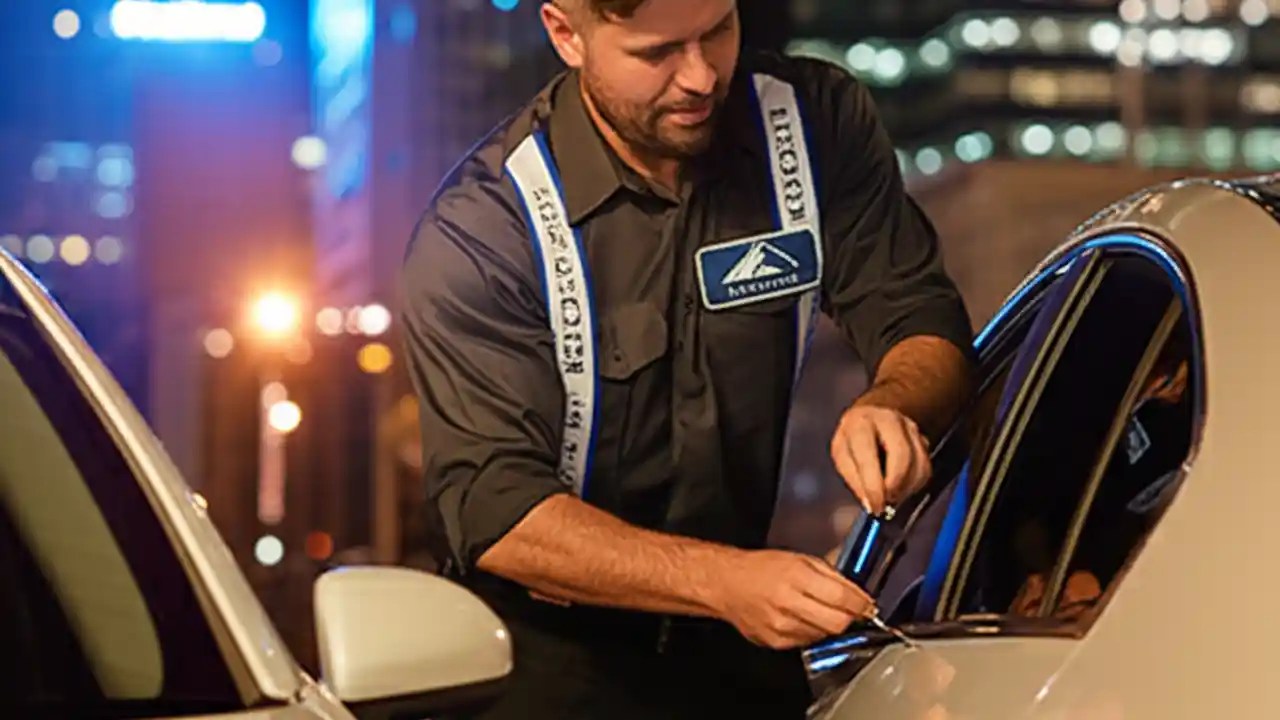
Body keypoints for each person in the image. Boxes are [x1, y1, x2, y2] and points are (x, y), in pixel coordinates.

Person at [399, 1, 975, 717]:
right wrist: (722, 582)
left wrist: (895, 401)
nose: (701, 76)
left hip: (738, 642)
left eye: (718, 30)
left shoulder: (814, 123)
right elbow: (495, 507)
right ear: (566, 35)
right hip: (542, 661)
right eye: (658, 53)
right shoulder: (484, 229)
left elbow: (918, 313)